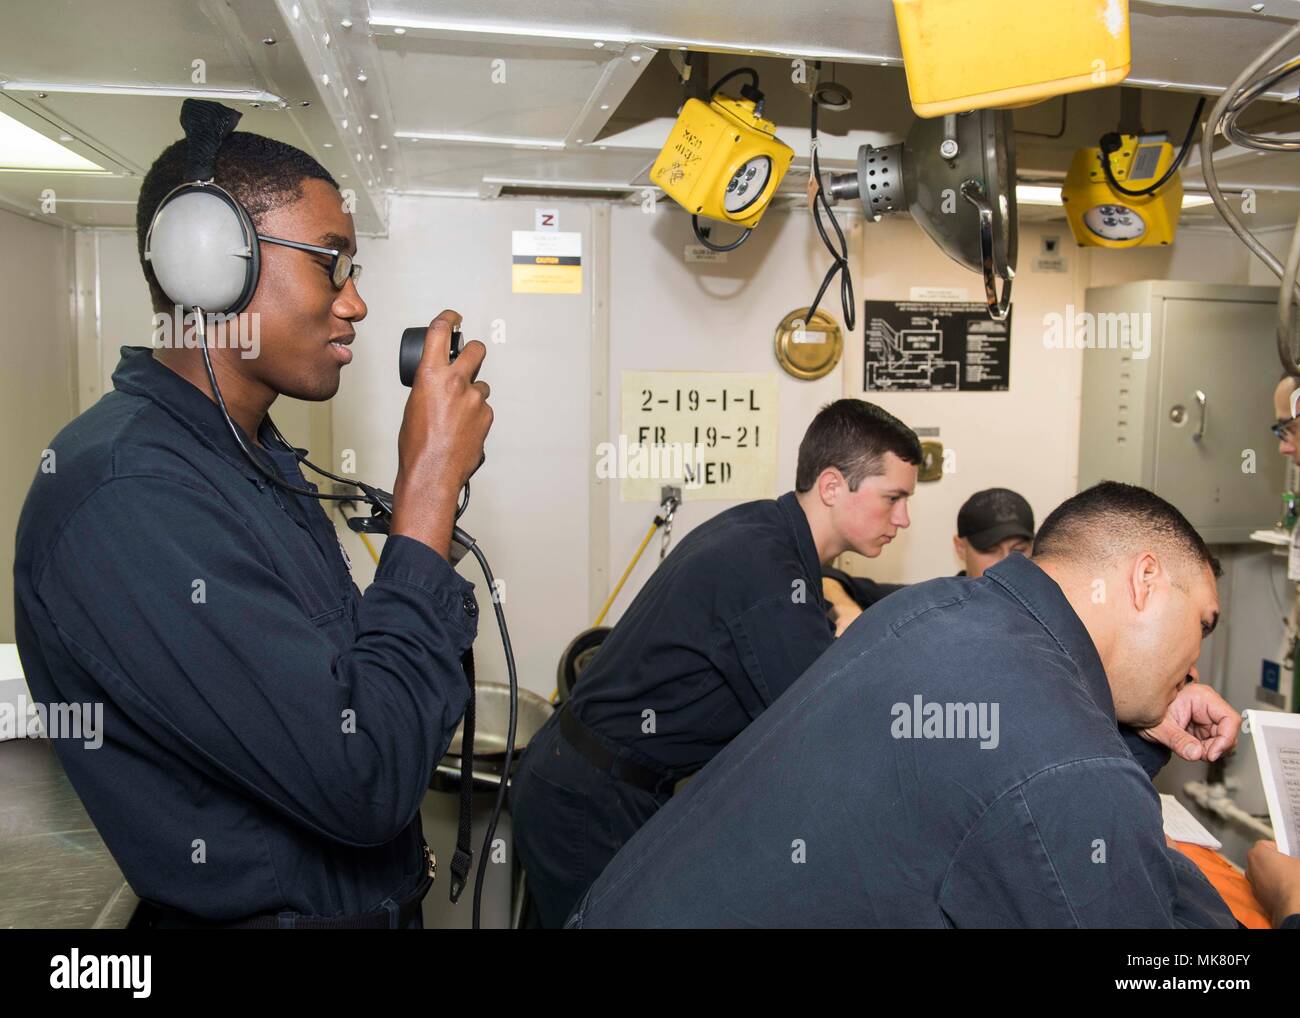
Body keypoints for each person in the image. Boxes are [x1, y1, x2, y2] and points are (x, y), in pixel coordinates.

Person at [12, 108, 493, 927]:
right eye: (331, 266)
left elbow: (353, 692)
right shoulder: (126, 497)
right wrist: (426, 497)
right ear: (209, 265)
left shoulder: (244, 461)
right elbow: (361, 776)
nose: (357, 304)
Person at [569, 481, 1277, 929]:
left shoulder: (937, 609)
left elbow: (1025, 815)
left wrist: (1139, 723)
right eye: (1204, 623)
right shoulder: (1063, 760)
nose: (1197, 661)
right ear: (1145, 580)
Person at [511, 399, 921, 926]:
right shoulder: (769, 576)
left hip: (591, 782)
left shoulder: (765, 529)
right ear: (833, 486)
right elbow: (824, 734)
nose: (904, 518)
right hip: (590, 802)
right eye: (894, 498)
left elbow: (864, 592)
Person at [822, 487, 1034, 635]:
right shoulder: (932, 602)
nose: (1006, 563)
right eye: (989, 550)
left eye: (1019, 550)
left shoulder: (1047, 608)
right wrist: (845, 609)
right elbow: (826, 578)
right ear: (960, 548)